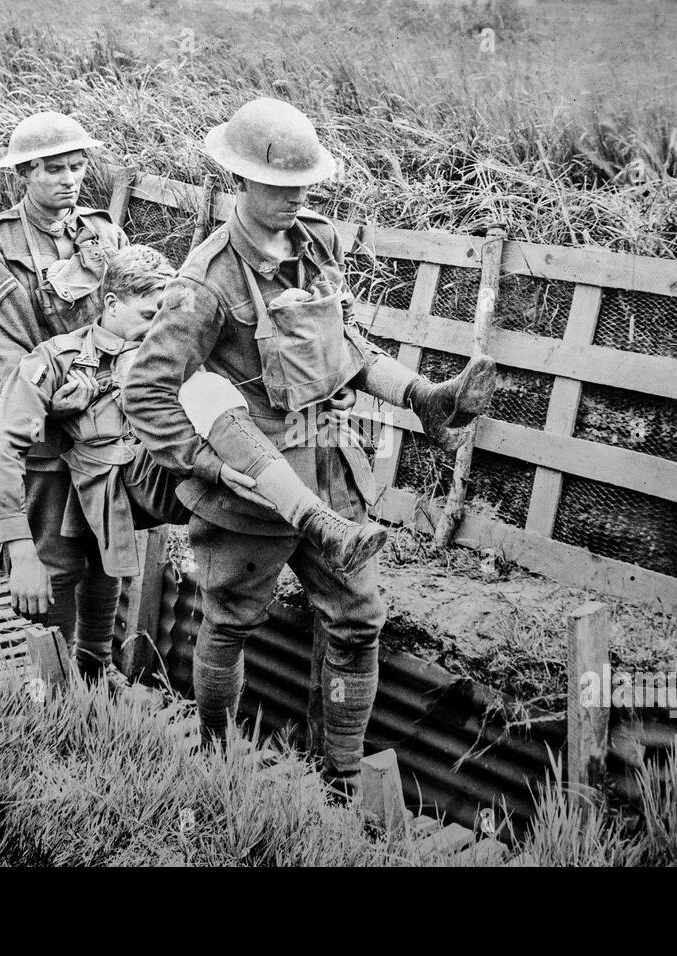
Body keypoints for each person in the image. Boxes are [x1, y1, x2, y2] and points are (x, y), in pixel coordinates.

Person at [123, 97, 497, 799]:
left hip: (328, 469)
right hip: (250, 483)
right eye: (278, 185)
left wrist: (415, 393)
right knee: (230, 622)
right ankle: (215, 757)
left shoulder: (317, 243)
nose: (295, 197)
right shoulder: (206, 282)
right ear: (238, 180)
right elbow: (147, 391)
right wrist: (205, 465)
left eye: (304, 184)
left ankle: (343, 775)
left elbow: (343, 343)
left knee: (359, 619)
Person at [0, 245, 391, 681]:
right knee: (57, 596)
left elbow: (258, 378)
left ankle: (317, 522)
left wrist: (331, 386)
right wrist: (19, 547)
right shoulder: (57, 361)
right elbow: (0, 449)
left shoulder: (182, 357)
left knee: (225, 403)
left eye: (166, 318)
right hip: (86, 492)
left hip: (157, 486)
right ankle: (53, 698)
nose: (157, 330)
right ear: (112, 304)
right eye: (148, 315)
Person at [0, 110, 128, 670]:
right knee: (54, 563)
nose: (69, 180)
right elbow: (11, 351)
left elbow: (128, 316)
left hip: (106, 426)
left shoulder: (105, 234)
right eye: (54, 169)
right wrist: (58, 391)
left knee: (108, 555)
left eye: (77, 167)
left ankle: (97, 671)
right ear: (25, 174)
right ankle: (52, 696)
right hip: (47, 426)